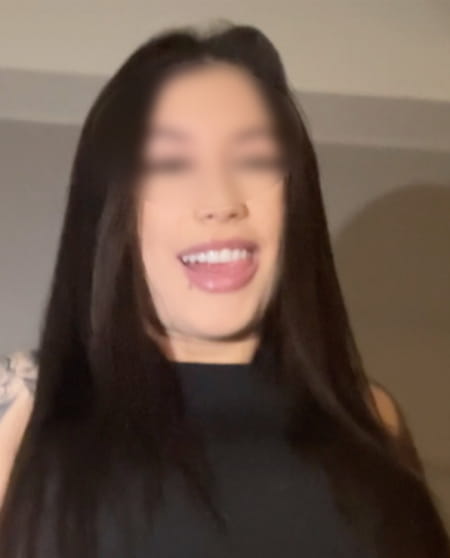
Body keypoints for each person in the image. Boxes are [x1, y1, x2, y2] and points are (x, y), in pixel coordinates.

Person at [0, 22, 448, 558]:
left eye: (253, 160)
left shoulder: (372, 417)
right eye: (171, 163)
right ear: (111, 205)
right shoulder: (24, 405)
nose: (220, 201)